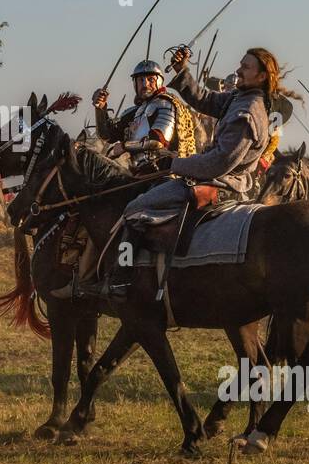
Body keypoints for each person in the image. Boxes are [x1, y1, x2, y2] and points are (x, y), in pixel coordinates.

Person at [75, 46, 282, 301]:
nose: (238, 70)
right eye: (240, 64)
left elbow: (219, 162)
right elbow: (204, 99)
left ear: (262, 76)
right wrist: (182, 70)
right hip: (192, 172)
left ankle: (121, 279)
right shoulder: (238, 99)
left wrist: (175, 164)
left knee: (135, 208)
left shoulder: (247, 112)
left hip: (222, 182)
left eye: (246, 67)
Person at [49, 59, 198, 299]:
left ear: (159, 80)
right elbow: (106, 133)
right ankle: (84, 279)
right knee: (93, 207)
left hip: (162, 174)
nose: (145, 83)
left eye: (150, 79)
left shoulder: (165, 105)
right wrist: (100, 107)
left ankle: (123, 276)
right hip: (136, 176)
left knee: (131, 215)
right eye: (140, 80)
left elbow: (159, 140)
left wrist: (125, 146)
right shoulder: (135, 111)